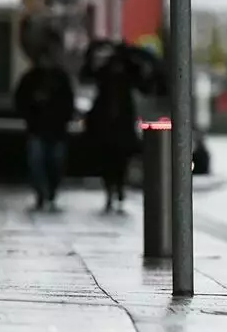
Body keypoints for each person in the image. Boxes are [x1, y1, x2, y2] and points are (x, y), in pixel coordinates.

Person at [13, 41, 75, 211]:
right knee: (38, 162)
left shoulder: (60, 79)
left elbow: (68, 103)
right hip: (38, 129)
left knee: (54, 162)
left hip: (55, 130)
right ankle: (42, 192)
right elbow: (20, 100)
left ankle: (50, 191)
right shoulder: (31, 78)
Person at [82, 45, 142, 213]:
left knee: (120, 160)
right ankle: (111, 191)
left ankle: (118, 188)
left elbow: (139, 77)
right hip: (107, 126)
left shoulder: (126, 74)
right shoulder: (105, 75)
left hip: (121, 126)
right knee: (108, 161)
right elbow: (89, 74)